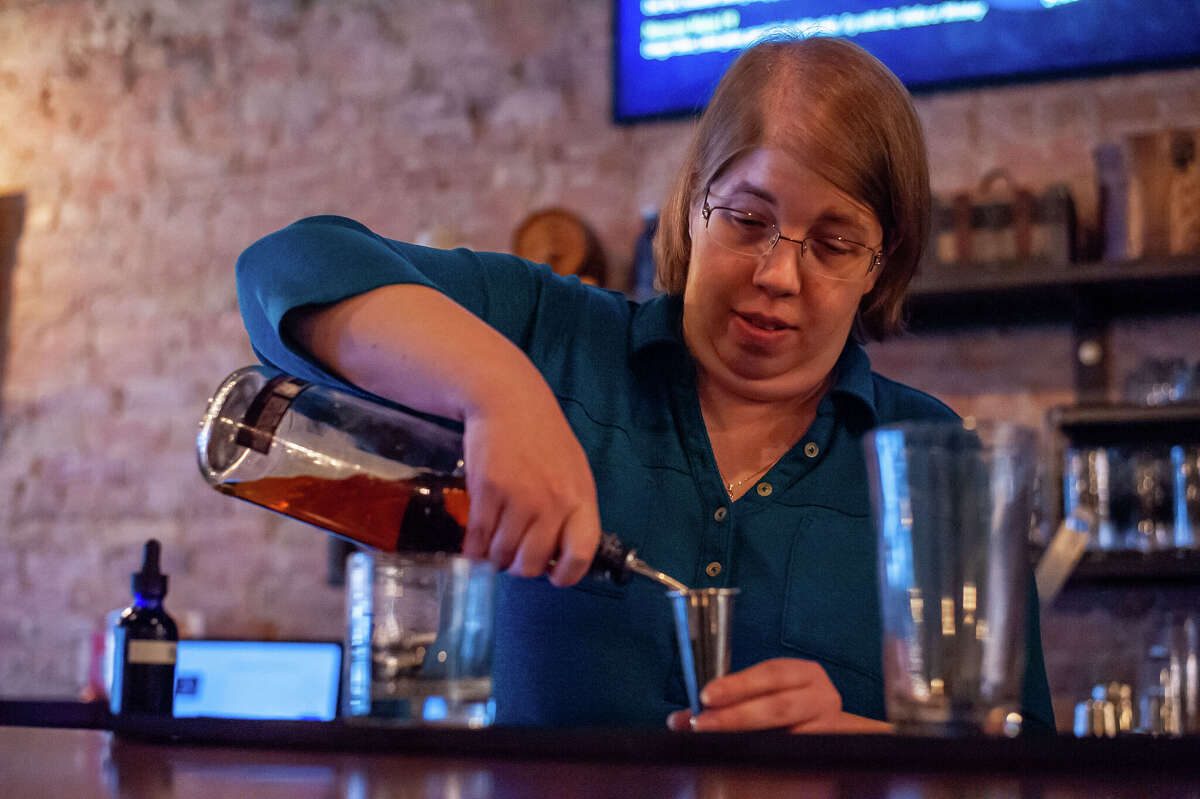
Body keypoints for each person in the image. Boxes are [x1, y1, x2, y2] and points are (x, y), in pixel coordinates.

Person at [236, 35, 1054, 733]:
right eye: (747, 219)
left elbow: (1030, 762)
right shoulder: (550, 334)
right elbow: (287, 268)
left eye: (834, 244)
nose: (778, 274)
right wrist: (503, 394)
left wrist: (866, 753)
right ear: (693, 203)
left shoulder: (936, 461)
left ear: (883, 265)